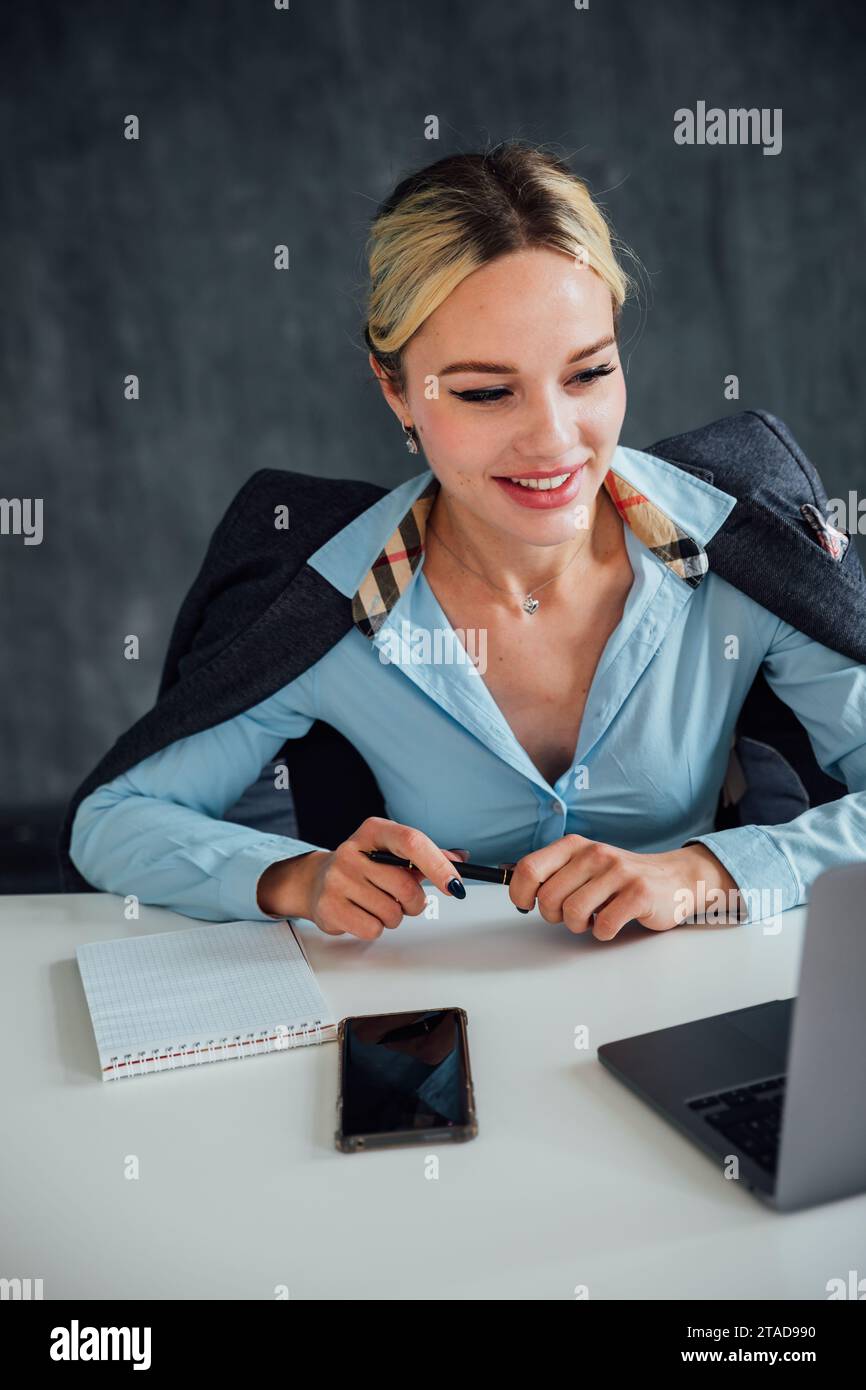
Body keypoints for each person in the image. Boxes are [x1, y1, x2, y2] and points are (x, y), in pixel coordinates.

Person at [69, 141, 866, 940]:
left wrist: (707, 875)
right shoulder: (326, 601)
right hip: (444, 1023)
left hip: (706, 1015)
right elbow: (114, 820)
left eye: (588, 373)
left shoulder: (742, 550)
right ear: (396, 392)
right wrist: (296, 877)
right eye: (487, 392)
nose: (554, 442)